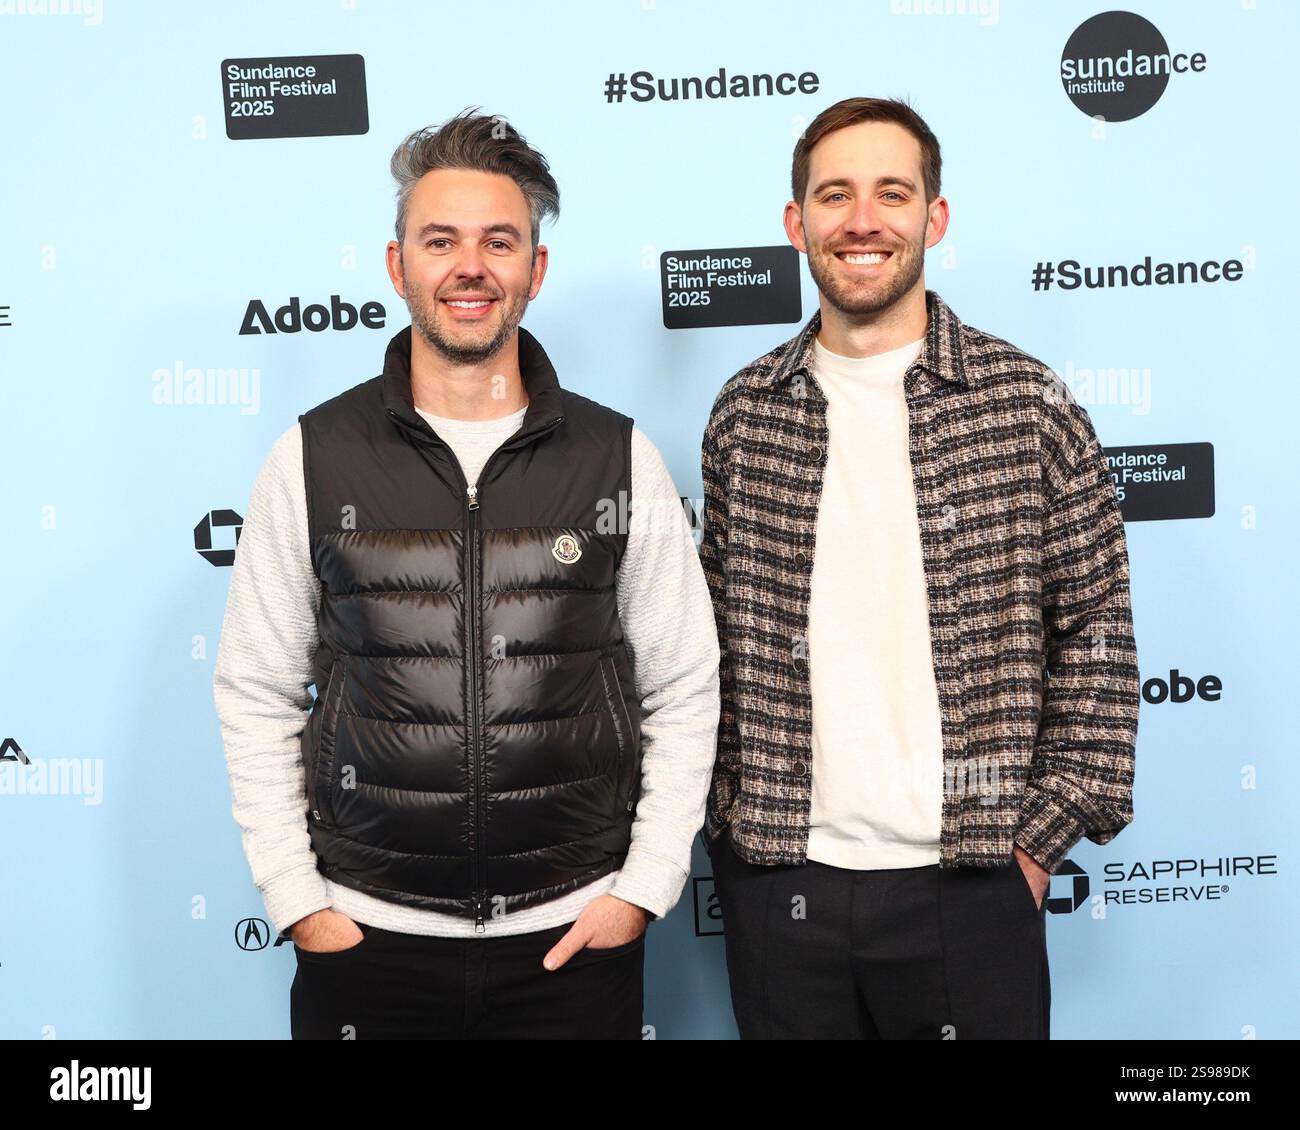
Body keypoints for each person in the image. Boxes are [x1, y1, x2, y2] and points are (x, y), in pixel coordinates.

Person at [213, 108, 719, 1040]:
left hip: (572, 938)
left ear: (536, 268)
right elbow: (256, 688)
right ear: (398, 265)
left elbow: (684, 684)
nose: (470, 268)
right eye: (439, 241)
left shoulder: (616, 456)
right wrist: (297, 899)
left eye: (500, 241)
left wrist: (642, 891)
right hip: (369, 940)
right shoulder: (314, 456)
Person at [699, 96, 1139, 1040]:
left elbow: (1099, 636)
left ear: (933, 218)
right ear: (797, 223)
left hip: (974, 882)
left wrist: (1037, 840)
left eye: (891, 193)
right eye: (835, 195)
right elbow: (707, 645)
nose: (863, 220)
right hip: (782, 882)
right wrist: (727, 821)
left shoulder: (1026, 404)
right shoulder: (746, 415)